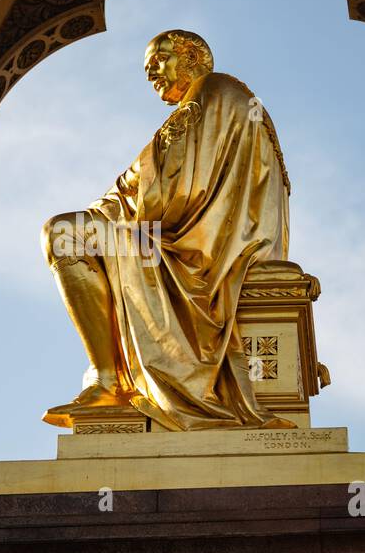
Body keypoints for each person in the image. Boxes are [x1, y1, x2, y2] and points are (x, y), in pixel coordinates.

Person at [41, 29, 294, 431]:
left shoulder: (214, 91)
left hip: (201, 253)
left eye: (158, 60)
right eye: (148, 68)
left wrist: (122, 192)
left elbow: (175, 191)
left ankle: (110, 381)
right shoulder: (226, 99)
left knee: (63, 234)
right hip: (203, 242)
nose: (151, 74)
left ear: (193, 55)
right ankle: (110, 379)